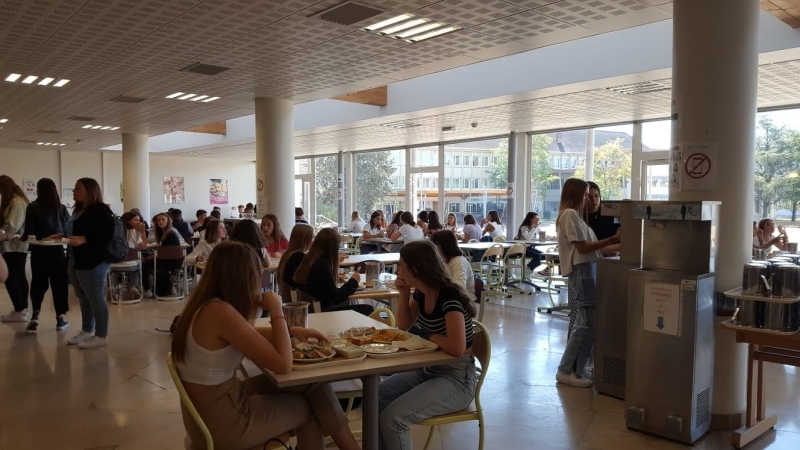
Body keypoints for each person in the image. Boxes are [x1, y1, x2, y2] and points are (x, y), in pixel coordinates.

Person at [171, 241, 360, 450]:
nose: (260, 281)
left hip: (209, 411)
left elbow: (248, 334)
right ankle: (349, 445)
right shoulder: (219, 312)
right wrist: (276, 310)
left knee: (312, 384)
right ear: (243, 277)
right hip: (224, 421)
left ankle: (348, 444)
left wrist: (293, 331)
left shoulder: (205, 307)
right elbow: (283, 364)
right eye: (257, 275)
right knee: (310, 408)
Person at [379, 240, 477, 450]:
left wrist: (428, 335)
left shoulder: (448, 296)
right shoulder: (423, 293)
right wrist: (403, 293)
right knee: (375, 397)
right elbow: (404, 324)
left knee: (393, 418)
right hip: (430, 370)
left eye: (401, 265)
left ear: (414, 270)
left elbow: (457, 347)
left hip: (457, 378)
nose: (398, 270)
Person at [555, 178, 619, 388]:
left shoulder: (576, 217)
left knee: (588, 323)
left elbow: (591, 248)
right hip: (582, 272)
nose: (587, 199)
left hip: (587, 271)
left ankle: (577, 369)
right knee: (585, 323)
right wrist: (612, 239)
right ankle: (567, 369)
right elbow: (584, 248)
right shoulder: (570, 215)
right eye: (584, 195)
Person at [65, 178, 116, 349]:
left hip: (94, 260)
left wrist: (84, 238)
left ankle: (101, 335)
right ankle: (87, 330)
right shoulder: (79, 210)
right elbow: (76, 232)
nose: (74, 191)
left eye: (77, 188)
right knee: (82, 297)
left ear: (89, 190)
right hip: (77, 258)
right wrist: (61, 237)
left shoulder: (100, 210)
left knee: (95, 297)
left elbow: (105, 235)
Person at [20, 178, 70, 332]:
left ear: (39, 190)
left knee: (38, 283)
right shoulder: (61, 208)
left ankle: (35, 316)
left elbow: (28, 233)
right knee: (59, 284)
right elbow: (68, 229)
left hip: (38, 252)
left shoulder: (32, 207)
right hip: (57, 251)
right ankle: (60, 319)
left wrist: (21, 238)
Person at [290, 228, 372, 315]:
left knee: (349, 302)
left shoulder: (309, 259)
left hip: (312, 309)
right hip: (325, 312)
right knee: (369, 309)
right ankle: (385, 322)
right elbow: (336, 298)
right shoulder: (322, 265)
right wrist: (354, 281)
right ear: (333, 248)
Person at [0, 175, 30, 322]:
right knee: (17, 276)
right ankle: (21, 309)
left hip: (15, 246)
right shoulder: (13, 201)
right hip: (11, 246)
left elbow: (12, 226)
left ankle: (20, 309)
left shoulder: (17, 202)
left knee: (11, 277)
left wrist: (2, 234)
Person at [143, 213, 185, 298]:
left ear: (168, 221)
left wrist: (152, 256)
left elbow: (165, 252)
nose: (160, 222)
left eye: (163, 219)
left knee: (144, 264)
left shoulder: (170, 234)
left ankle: (147, 289)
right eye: (158, 220)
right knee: (147, 261)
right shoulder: (165, 233)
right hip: (173, 261)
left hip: (169, 261)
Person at [277, 225, 315, 303]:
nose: (313, 241)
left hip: (290, 302)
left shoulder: (288, 255)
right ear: (305, 239)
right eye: (312, 238)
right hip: (300, 304)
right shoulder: (298, 257)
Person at [430, 230, 475, 295]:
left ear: (444, 246)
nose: (434, 249)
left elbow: (460, 287)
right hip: (451, 296)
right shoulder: (445, 260)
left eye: (436, 245)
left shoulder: (459, 262)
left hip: (463, 299)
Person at [586, 181, 621, 256]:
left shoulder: (609, 214)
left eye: (596, 196)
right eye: (590, 197)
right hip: (594, 257)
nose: (594, 200)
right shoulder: (580, 218)